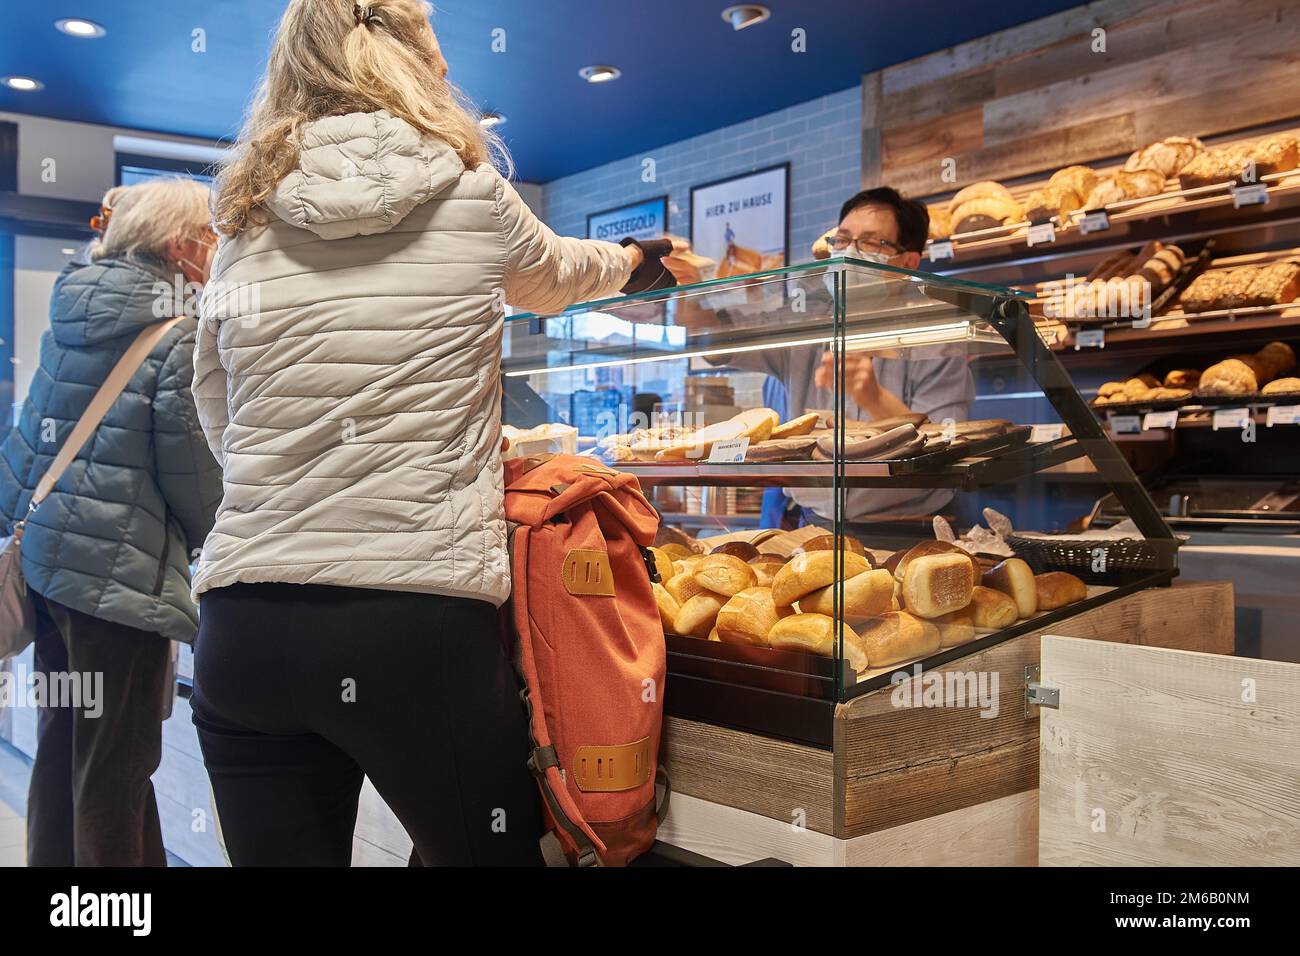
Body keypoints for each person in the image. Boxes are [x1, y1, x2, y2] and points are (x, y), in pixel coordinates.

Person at [190, 0, 681, 867]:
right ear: (417, 65)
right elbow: (564, 276)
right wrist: (640, 258)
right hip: (413, 629)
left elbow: (218, 409)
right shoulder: (475, 200)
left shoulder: (244, 229)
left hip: (246, 625)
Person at [0, 178, 223, 866]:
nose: (217, 252)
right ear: (180, 246)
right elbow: (192, 474)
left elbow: (30, 442)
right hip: (119, 586)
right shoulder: (175, 332)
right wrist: (214, 528)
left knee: (66, 748)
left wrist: (21, 526)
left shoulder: (73, 316)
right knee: (115, 773)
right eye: (211, 237)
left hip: (51, 572)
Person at [664, 187, 975, 531]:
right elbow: (714, 337)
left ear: (908, 263)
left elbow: (945, 446)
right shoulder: (803, 325)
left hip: (906, 528)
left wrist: (874, 398)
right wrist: (686, 285)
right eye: (841, 240)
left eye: (871, 243)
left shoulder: (936, 335)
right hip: (813, 526)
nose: (850, 252)